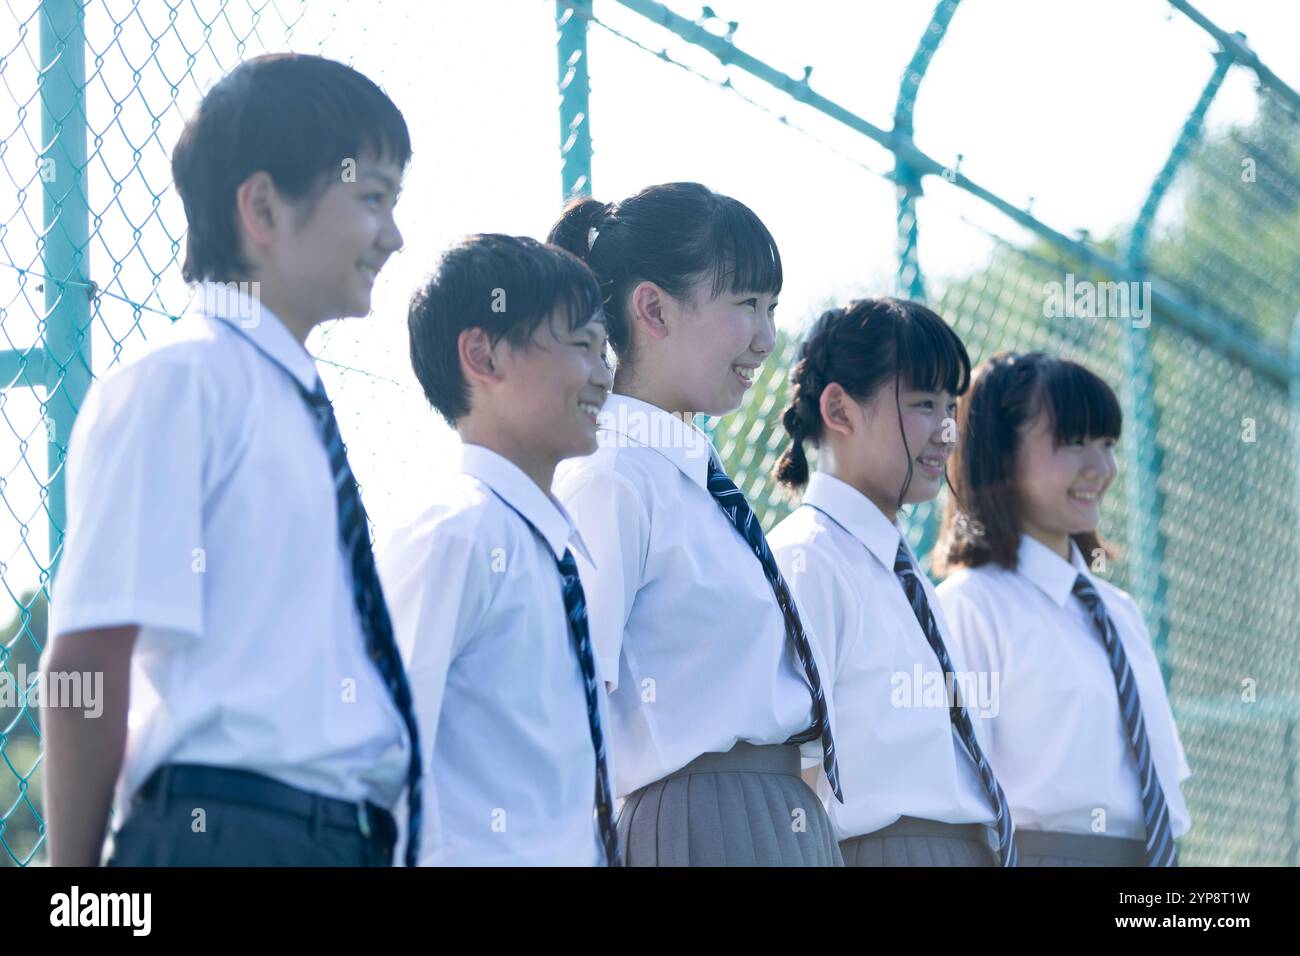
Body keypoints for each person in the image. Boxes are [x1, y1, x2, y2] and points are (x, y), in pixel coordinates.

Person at [41, 53, 419, 867]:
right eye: (372, 198)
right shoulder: (180, 384)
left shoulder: (290, 399)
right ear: (262, 207)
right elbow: (84, 663)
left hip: (332, 837)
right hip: (231, 833)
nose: (394, 235)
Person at [547, 182, 842, 866]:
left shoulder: (695, 481)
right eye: (745, 304)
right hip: (696, 827)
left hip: (781, 818)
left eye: (772, 307)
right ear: (652, 308)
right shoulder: (611, 477)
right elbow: (563, 702)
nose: (768, 338)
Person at [379, 234, 618, 866]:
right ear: (482, 355)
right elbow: (377, 766)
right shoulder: (454, 534)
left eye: (606, 349)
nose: (604, 374)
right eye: (582, 346)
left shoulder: (554, 552)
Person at [935, 352, 1191, 866]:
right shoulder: (969, 608)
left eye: (1108, 444)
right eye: (1074, 442)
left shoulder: (1118, 610)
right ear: (1000, 452)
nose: (1102, 468)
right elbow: (958, 798)